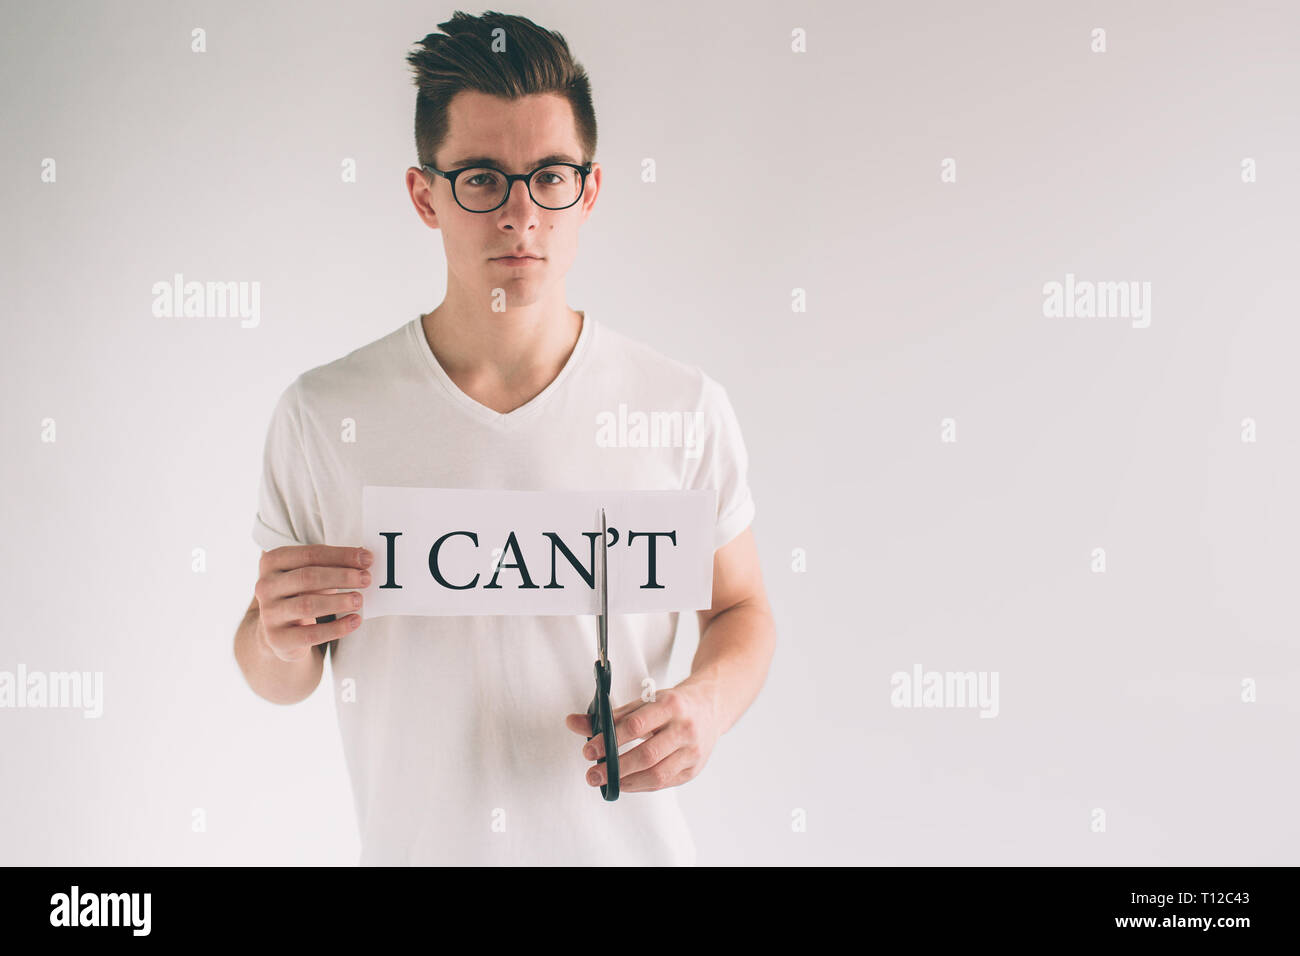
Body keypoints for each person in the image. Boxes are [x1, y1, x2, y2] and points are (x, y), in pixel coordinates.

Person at [233, 10, 776, 866]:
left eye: (550, 175)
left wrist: (705, 704)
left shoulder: (679, 405)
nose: (522, 214)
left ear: (588, 191)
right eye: (482, 178)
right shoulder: (324, 413)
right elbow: (278, 669)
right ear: (426, 195)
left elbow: (741, 609)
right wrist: (272, 636)